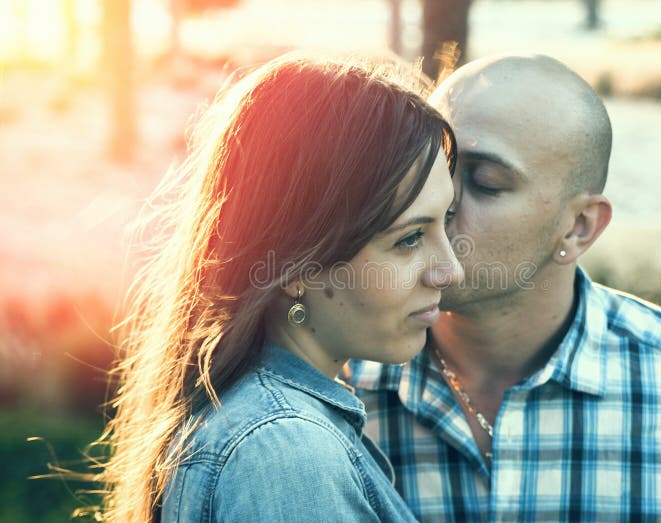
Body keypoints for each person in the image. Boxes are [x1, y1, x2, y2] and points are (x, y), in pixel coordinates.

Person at [345, 54, 661, 521]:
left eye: (484, 182)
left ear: (579, 227)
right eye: (434, 170)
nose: (438, 201)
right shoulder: (336, 387)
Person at [92, 53, 464, 522]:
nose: (450, 271)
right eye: (409, 239)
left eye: (445, 222)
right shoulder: (285, 453)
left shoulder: (264, 424)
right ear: (296, 265)